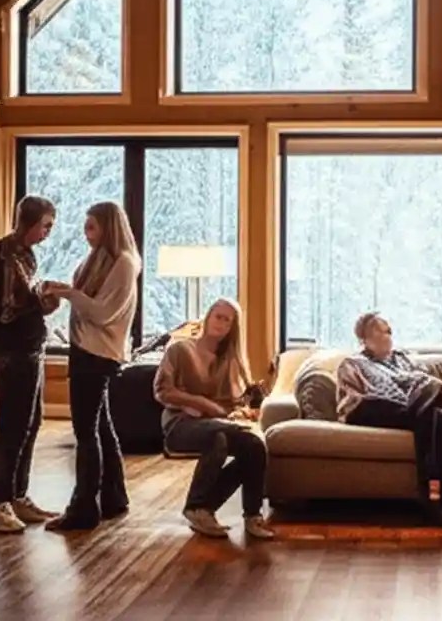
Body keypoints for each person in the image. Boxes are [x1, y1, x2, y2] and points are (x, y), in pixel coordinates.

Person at [43, 201, 142, 531]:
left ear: (108, 227)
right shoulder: (98, 260)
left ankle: (83, 508)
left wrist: (70, 293)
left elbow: (103, 313)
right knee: (100, 426)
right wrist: (66, 292)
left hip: (97, 354)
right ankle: (114, 497)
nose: (87, 234)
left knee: (85, 431)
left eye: (92, 227)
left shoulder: (125, 264)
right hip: (85, 350)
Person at [153, 298, 274, 540]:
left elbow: (231, 405)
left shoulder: (230, 360)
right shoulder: (180, 350)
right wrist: (203, 404)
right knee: (217, 438)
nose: (221, 323)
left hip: (216, 426)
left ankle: (249, 515)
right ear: (207, 317)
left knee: (254, 446)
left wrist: (244, 411)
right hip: (180, 423)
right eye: (217, 316)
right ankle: (197, 508)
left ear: (232, 328)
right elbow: (162, 391)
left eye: (227, 320)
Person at [336, 312, 442, 526]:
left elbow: (421, 381)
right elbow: (355, 398)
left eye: (390, 330)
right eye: (383, 331)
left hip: (407, 408)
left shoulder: (401, 359)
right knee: (431, 412)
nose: (390, 334)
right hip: (369, 407)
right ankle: (434, 499)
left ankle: (433, 497)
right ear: (365, 339)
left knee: (436, 417)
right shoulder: (353, 363)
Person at [0, 195, 60, 534]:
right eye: (45, 225)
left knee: (32, 422)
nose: (47, 233)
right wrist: (44, 301)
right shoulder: (4, 254)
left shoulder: (27, 255)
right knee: (12, 427)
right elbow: (9, 307)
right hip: (11, 353)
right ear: (30, 221)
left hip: (30, 349)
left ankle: (18, 495)